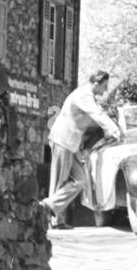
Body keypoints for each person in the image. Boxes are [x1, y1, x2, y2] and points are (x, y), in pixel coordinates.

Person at [40, 70, 121, 229]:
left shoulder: (89, 97)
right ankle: (55, 221)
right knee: (60, 180)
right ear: (96, 83)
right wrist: (113, 129)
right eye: (104, 86)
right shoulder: (83, 95)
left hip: (73, 143)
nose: (105, 90)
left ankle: (48, 206)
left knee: (80, 180)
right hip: (63, 140)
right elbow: (96, 114)